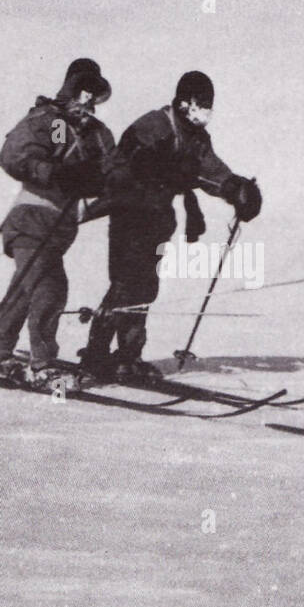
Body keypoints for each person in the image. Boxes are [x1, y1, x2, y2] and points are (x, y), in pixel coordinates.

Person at [78, 70, 262, 381]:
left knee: (146, 284)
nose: (206, 110)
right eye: (201, 102)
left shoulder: (197, 138)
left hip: (159, 217)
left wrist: (235, 188)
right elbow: (124, 168)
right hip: (131, 212)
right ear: (184, 102)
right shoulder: (153, 124)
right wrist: (161, 173)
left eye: (209, 103)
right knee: (126, 281)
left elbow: (208, 169)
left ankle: (128, 356)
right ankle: (96, 354)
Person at [0, 58, 115, 390]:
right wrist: (58, 172)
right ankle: (43, 364)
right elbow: (18, 155)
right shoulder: (54, 123)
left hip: (59, 226)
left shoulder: (97, 135)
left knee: (26, 289)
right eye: (84, 92)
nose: (88, 101)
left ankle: (0, 355)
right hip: (32, 218)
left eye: (94, 95)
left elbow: (110, 173)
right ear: (72, 89)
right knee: (49, 287)